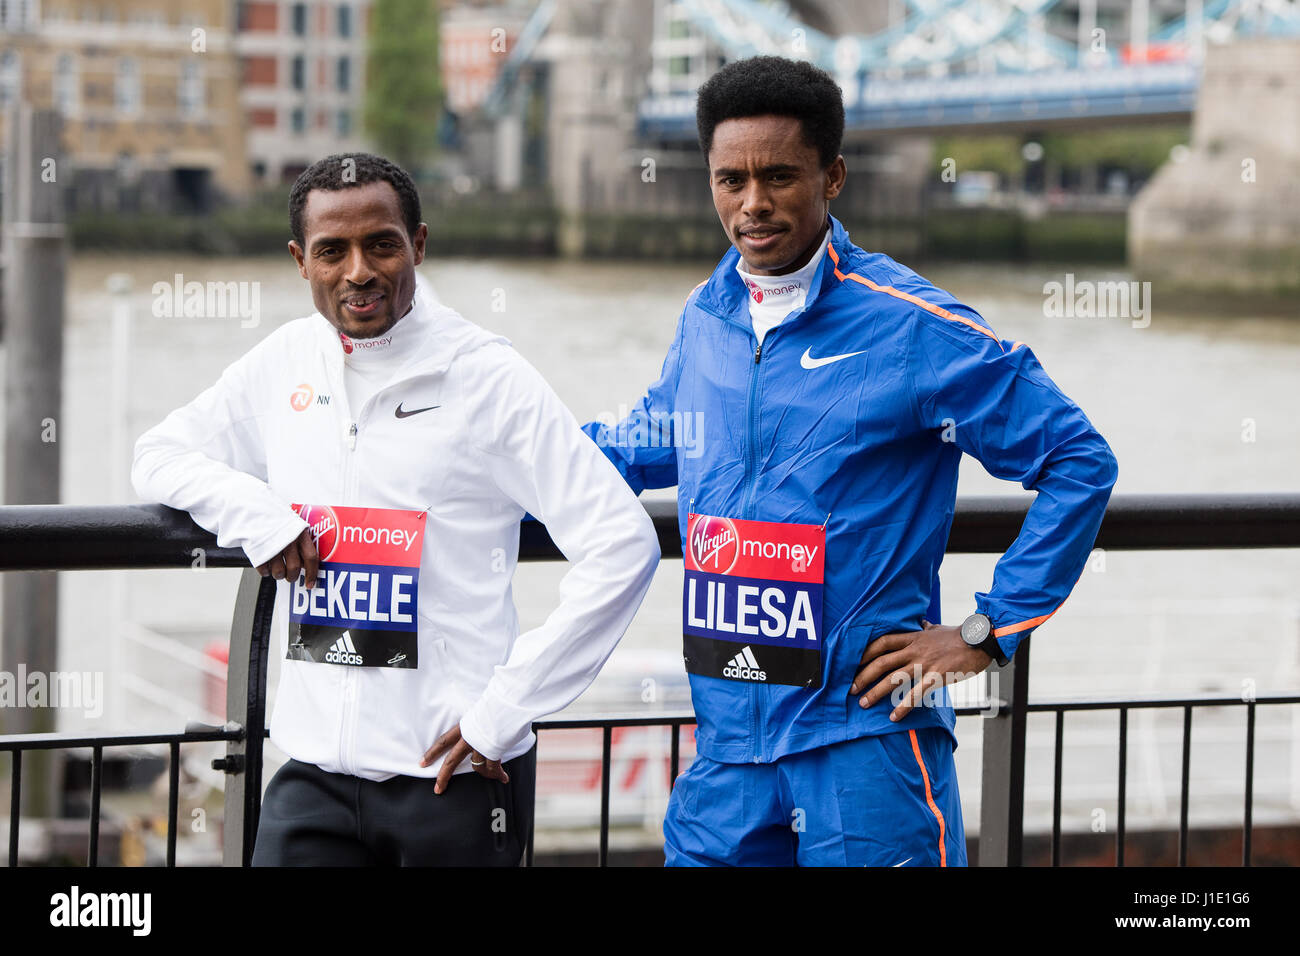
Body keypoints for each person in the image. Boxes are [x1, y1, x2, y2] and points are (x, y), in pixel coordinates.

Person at [583, 56, 1119, 867]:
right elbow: (647, 441)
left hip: (863, 741)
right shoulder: (707, 314)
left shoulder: (912, 325)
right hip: (729, 743)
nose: (752, 204)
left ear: (832, 177)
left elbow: (1079, 459)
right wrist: (472, 470)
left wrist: (986, 630)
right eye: (730, 180)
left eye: (779, 177)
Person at [131, 153, 660, 866]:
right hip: (313, 774)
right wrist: (253, 512)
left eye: (381, 243)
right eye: (332, 251)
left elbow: (623, 544)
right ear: (299, 260)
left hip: (452, 775)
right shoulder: (284, 361)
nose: (359, 271)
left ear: (418, 243)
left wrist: (506, 711)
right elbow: (158, 455)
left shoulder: (486, 378)